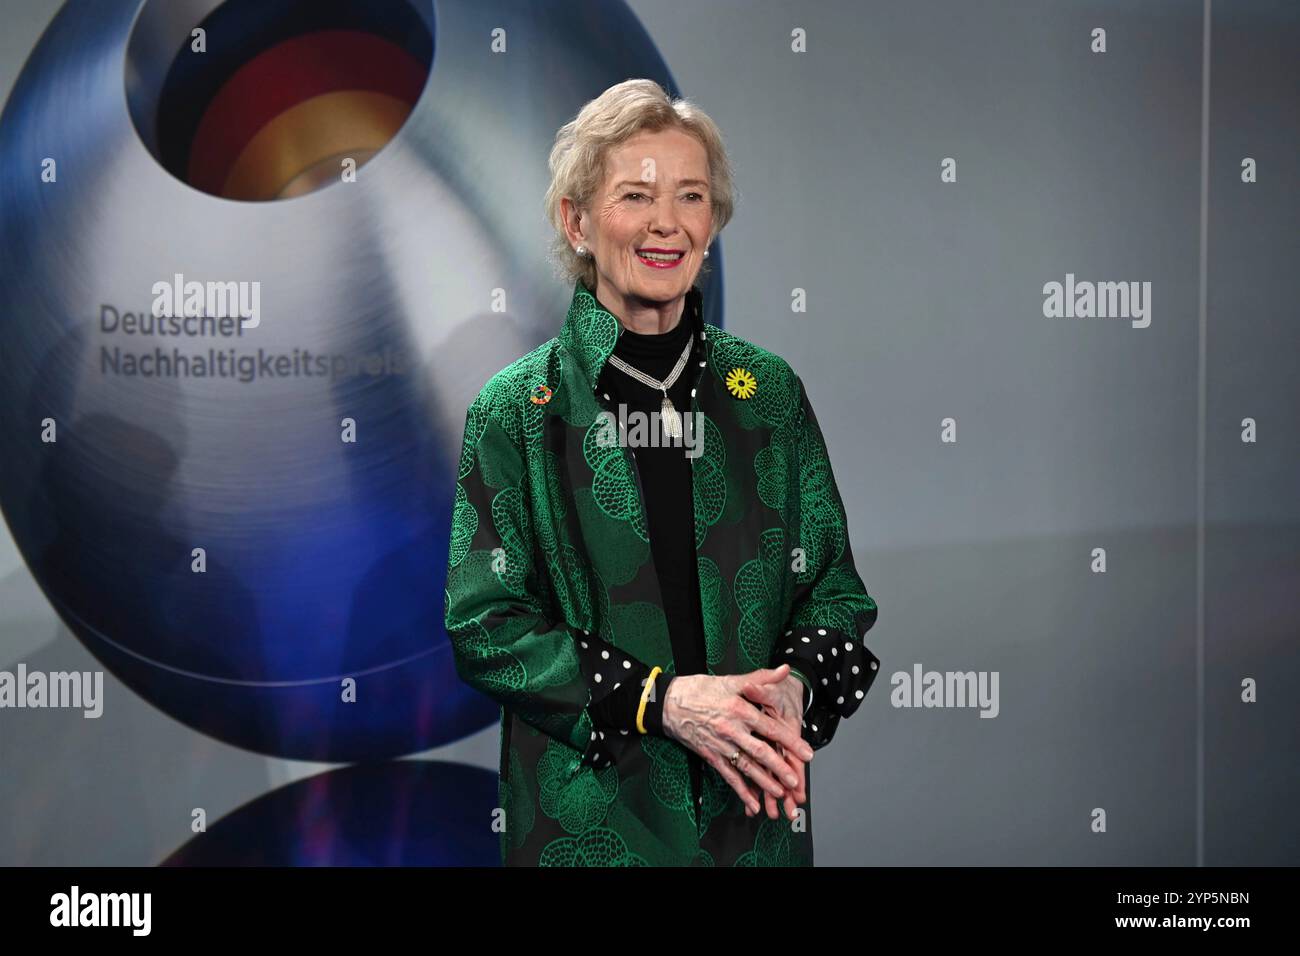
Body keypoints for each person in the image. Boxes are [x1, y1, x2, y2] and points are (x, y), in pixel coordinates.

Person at [444, 78, 880, 867]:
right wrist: (665, 702)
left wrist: (795, 688)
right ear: (575, 221)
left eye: (691, 196)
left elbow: (837, 594)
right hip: (591, 830)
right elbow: (486, 627)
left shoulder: (767, 394)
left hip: (753, 826)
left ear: (712, 225)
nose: (666, 224)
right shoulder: (513, 412)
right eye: (634, 196)